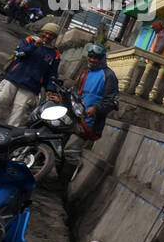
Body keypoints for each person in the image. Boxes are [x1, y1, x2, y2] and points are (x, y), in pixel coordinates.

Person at [51, 43, 119, 175]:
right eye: (91, 57)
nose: (92, 60)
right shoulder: (85, 72)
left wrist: (96, 108)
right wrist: (60, 99)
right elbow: (74, 92)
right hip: (72, 115)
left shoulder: (109, 76)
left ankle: (63, 186)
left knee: (71, 151)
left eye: (96, 58)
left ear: (102, 58)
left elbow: (112, 101)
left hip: (88, 121)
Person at [0, 21, 61, 126]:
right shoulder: (30, 40)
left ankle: (8, 136)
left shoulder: (54, 53)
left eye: (51, 35)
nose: (47, 36)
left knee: (18, 113)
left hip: (31, 87)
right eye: (46, 33)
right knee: (0, 102)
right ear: (42, 32)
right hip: (13, 79)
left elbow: (52, 74)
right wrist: (34, 46)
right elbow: (19, 53)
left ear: (54, 37)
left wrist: (50, 90)